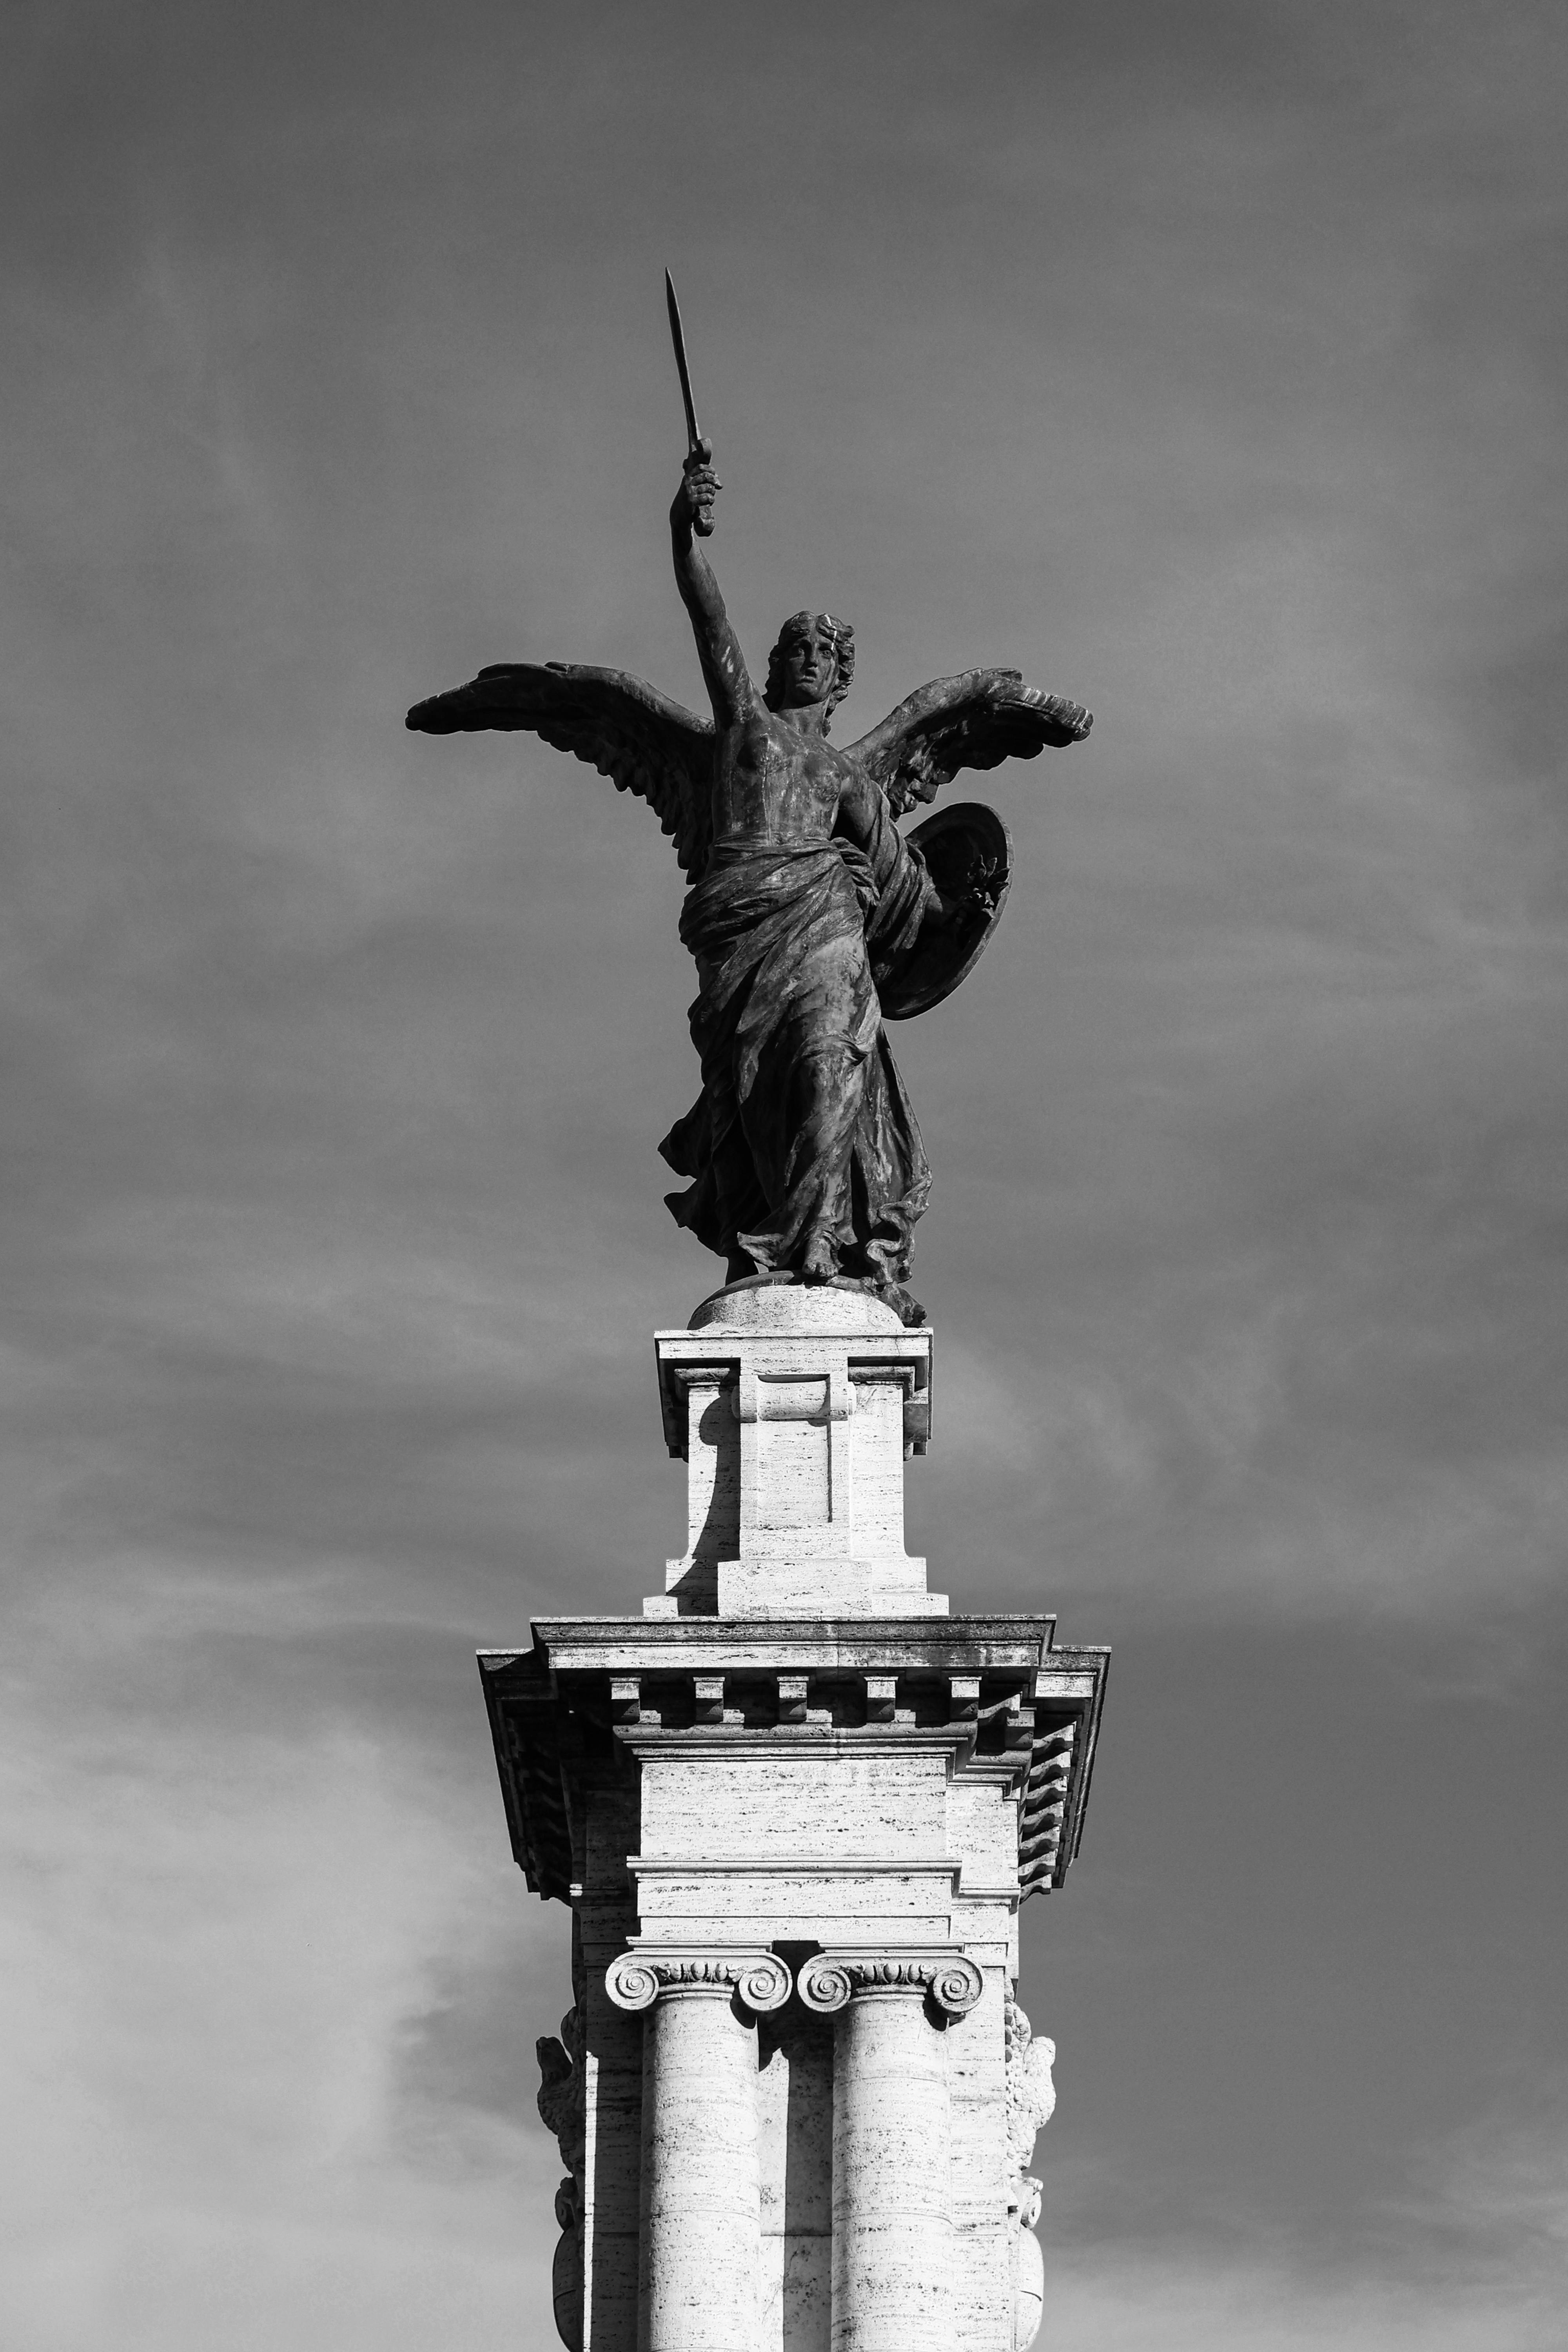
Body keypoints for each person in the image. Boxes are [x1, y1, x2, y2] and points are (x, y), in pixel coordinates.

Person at [659, 439, 950, 1317]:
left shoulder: (852, 777)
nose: (807, 658)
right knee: (756, 1092)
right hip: (744, 933)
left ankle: (817, 1235)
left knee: (830, 1067)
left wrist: (950, 902)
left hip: (826, 929)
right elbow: (706, 613)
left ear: (840, 677)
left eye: (822, 651)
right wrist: (683, 526)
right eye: (795, 647)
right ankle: (777, 1225)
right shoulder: (743, 726)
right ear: (776, 664)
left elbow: (904, 887)